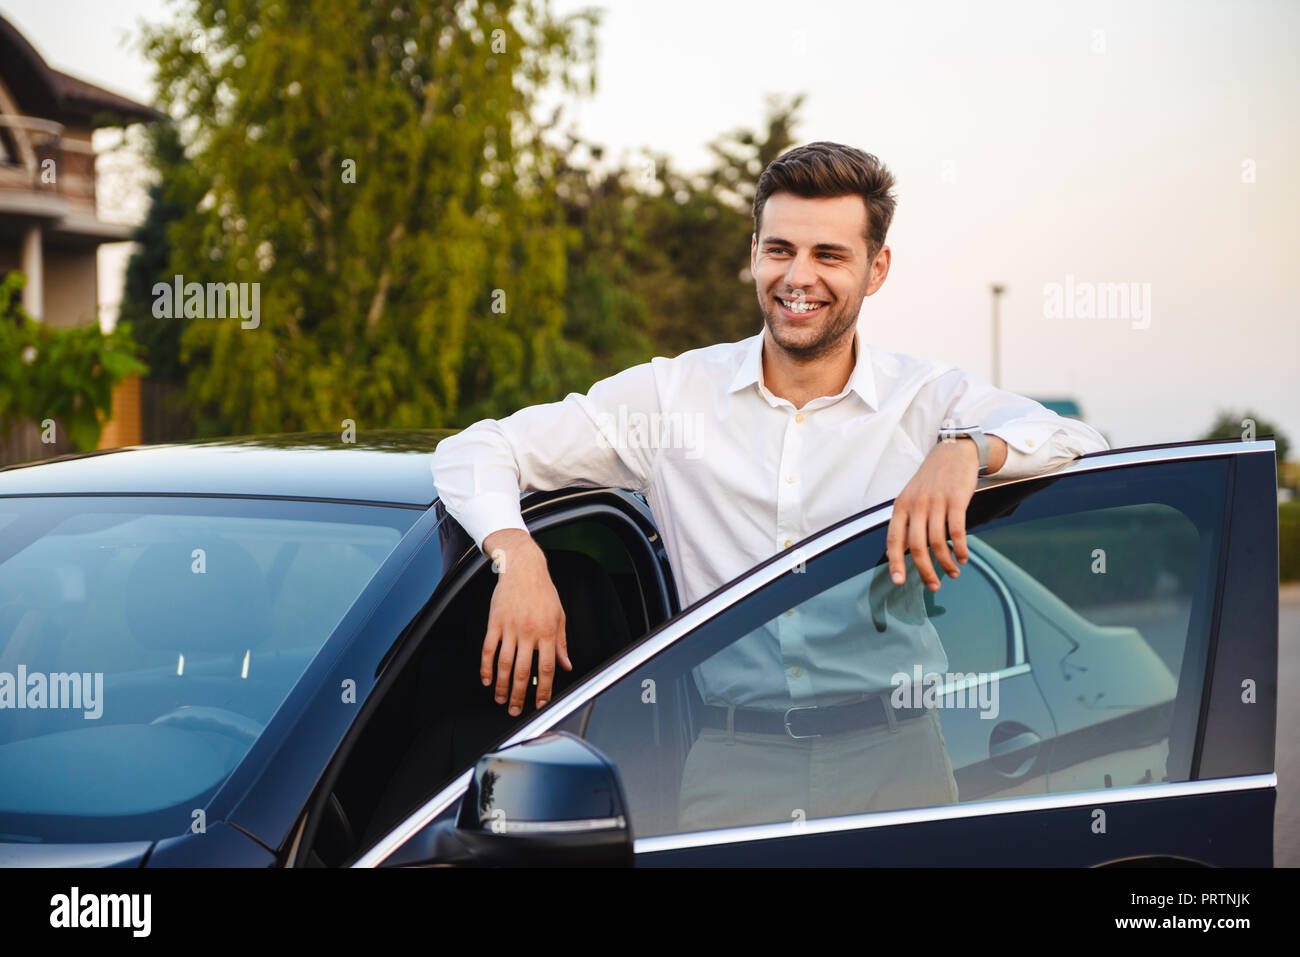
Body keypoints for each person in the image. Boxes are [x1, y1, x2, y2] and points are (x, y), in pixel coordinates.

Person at [431, 141, 1109, 829]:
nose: (799, 277)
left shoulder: (926, 400)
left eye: (829, 255)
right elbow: (475, 448)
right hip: (731, 764)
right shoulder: (672, 399)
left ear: (877, 270)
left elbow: (1081, 440)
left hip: (899, 761)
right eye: (780, 249)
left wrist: (969, 450)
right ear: (754, 251)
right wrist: (516, 554)